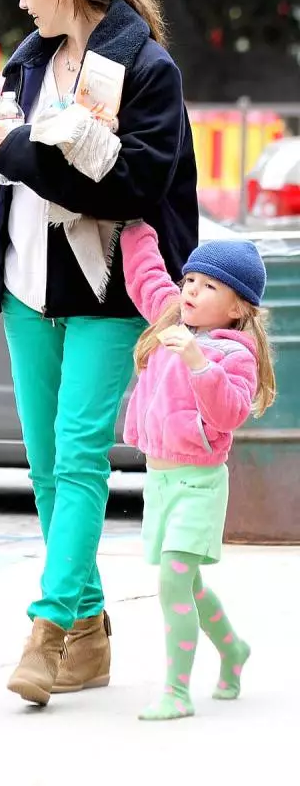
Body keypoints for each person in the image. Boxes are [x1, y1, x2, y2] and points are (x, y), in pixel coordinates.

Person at [0, 0, 199, 706]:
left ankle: (50, 624)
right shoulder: (30, 67)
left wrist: (19, 146)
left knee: (80, 456)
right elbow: (0, 182)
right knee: (46, 468)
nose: (21, 4)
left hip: (108, 289)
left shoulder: (147, 71)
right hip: (28, 287)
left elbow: (130, 186)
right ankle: (90, 632)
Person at [120, 221, 273, 720]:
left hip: (199, 484)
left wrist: (197, 362)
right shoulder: (172, 319)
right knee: (187, 584)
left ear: (236, 308)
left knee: (172, 583)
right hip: (160, 481)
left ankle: (177, 693)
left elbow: (229, 413)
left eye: (208, 287)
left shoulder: (234, 353)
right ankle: (233, 650)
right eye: (190, 280)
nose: (191, 291)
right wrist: (132, 223)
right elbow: (145, 275)